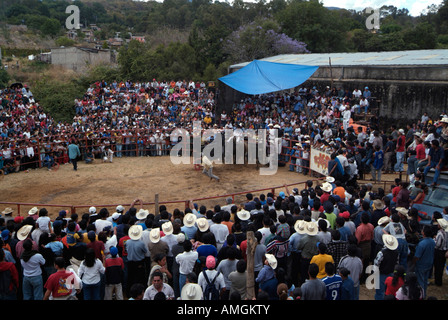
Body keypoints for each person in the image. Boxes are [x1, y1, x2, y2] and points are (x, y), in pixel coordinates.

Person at [373, 234, 399, 300]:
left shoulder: (381, 253)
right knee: (388, 291)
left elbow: (376, 264)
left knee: (380, 292)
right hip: (391, 273)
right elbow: (397, 263)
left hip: (381, 274)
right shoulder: (396, 252)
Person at [412, 225, 435, 298]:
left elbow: (417, 256)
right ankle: (424, 294)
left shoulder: (422, 244)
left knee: (420, 281)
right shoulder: (432, 241)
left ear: (424, 233)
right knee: (425, 280)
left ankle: (421, 295)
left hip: (421, 265)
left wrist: (413, 263)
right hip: (429, 263)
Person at [433, 218, 448, 286]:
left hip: (439, 251)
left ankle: (437, 281)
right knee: (441, 267)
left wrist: (434, 241)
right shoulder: (446, 233)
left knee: (437, 267)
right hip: (444, 251)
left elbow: (438, 245)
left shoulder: (440, 234)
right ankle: (439, 281)